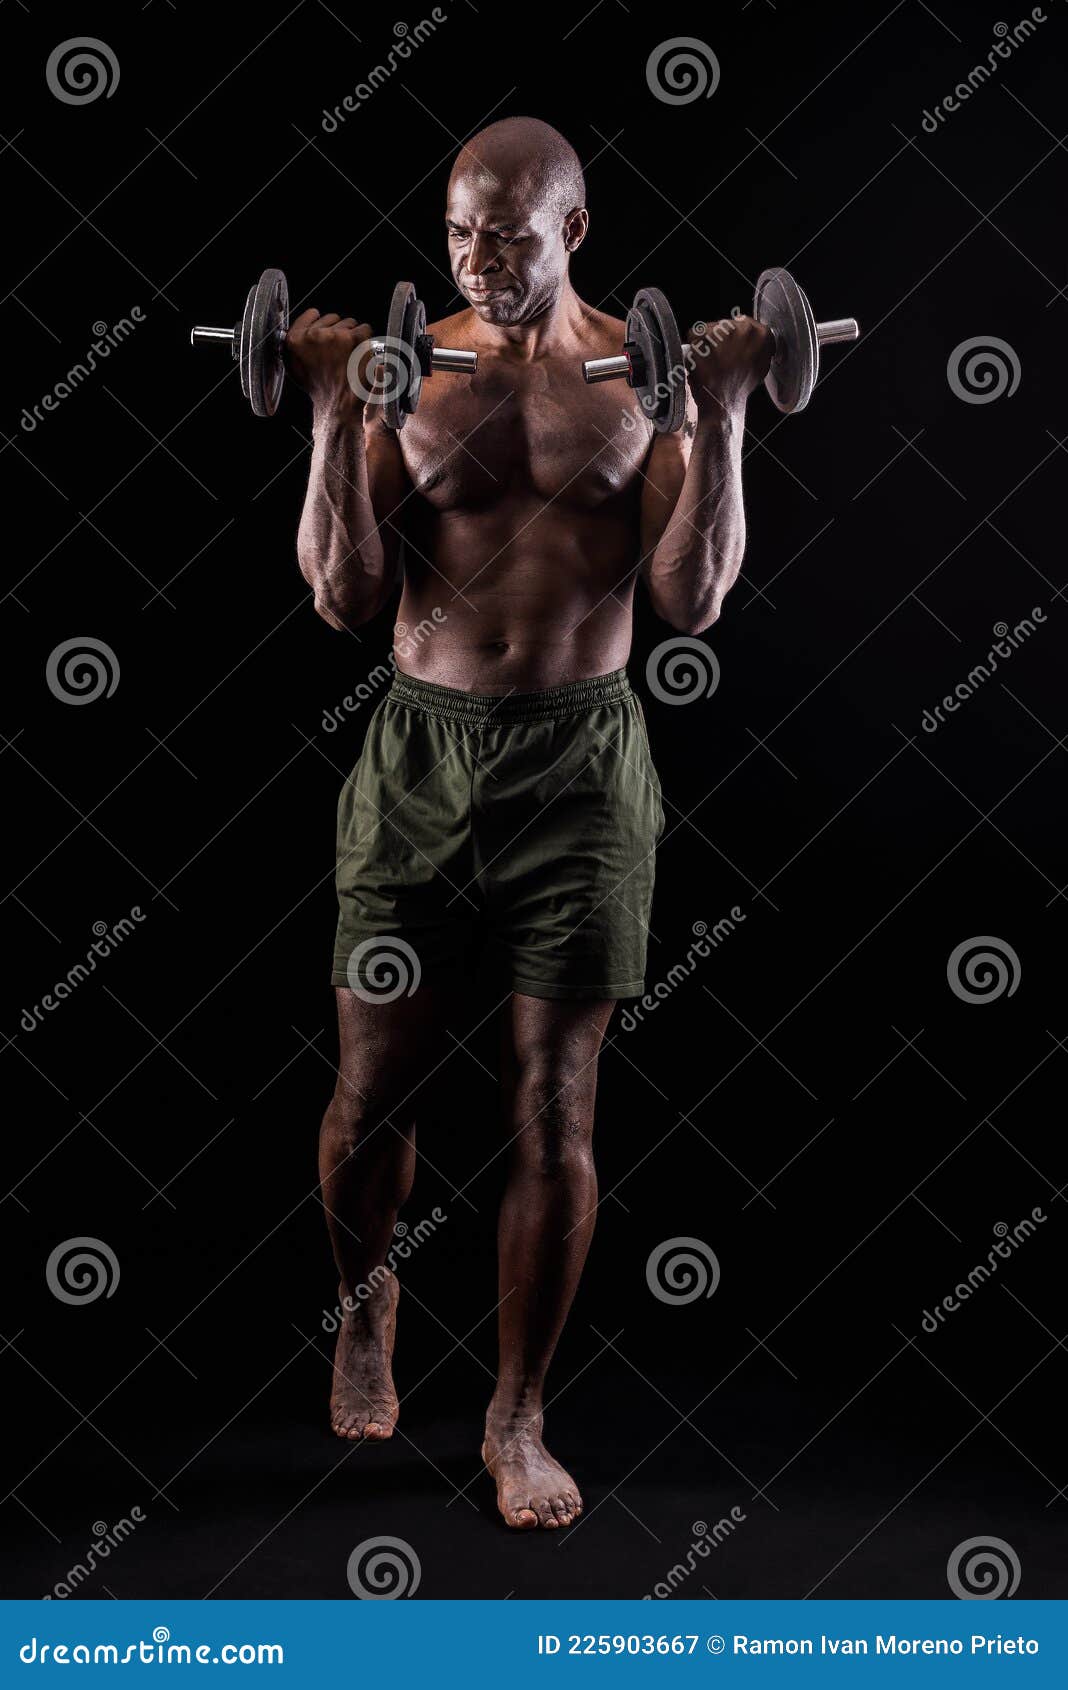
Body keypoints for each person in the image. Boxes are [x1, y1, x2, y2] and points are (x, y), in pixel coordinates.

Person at [288, 116, 772, 1531]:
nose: (481, 264)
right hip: (416, 763)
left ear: (575, 230)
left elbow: (690, 602)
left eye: (509, 236)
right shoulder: (414, 372)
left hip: (583, 762)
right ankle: (365, 1304)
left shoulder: (640, 379)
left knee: (555, 1101)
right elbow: (339, 596)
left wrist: (726, 415)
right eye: (458, 236)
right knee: (372, 1090)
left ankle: (516, 1412)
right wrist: (331, 417)